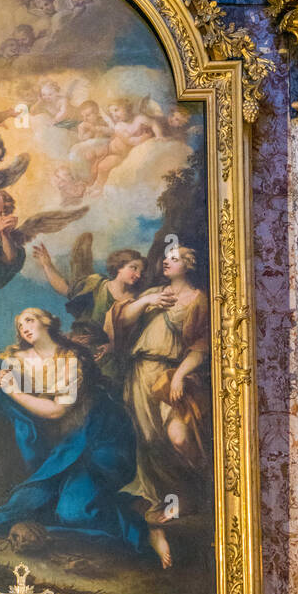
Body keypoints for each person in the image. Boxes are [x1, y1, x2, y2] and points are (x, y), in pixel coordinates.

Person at [0, 307, 147, 550]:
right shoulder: (17, 358)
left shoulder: (72, 359)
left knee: (74, 513)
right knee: (28, 504)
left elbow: (55, 411)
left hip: (98, 438)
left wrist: (12, 389)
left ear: (48, 322)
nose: (25, 328)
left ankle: (144, 530)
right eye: (20, 326)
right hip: (65, 445)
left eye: (30, 320)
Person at [109, 242, 209, 568]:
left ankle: (196, 490)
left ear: (189, 265)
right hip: (140, 371)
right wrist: (148, 300)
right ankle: (168, 500)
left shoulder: (197, 299)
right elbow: (120, 320)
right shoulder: (153, 292)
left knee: (176, 437)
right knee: (149, 441)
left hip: (168, 374)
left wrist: (180, 376)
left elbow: (200, 345)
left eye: (176, 258)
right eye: (166, 258)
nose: (168, 262)